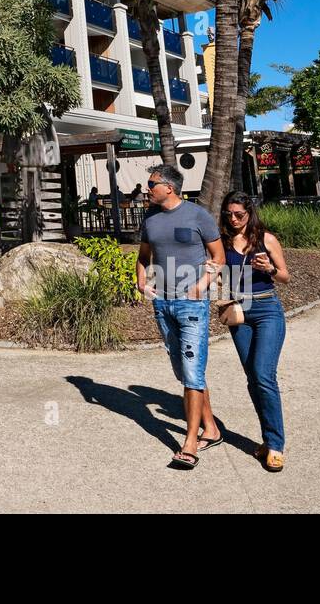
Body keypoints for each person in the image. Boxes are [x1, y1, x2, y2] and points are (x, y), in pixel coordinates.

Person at [135, 163, 225, 470]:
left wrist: (200, 287)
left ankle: (189, 444)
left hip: (192, 306)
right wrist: (141, 281)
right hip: (163, 305)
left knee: (191, 372)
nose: (147, 188)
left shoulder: (198, 215)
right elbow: (144, 255)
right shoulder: (150, 218)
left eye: (151, 184)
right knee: (186, 371)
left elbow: (219, 258)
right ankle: (211, 429)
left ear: (169, 187)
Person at [219, 191, 290, 473]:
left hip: (267, 310)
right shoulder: (222, 242)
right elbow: (218, 273)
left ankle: (275, 446)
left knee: (263, 374)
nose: (234, 220)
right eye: (229, 215)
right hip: (239, 312)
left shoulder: (266, 239)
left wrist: (270, 268)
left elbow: (285, 276)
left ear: (250, 213)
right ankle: (266, 439)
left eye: (239, 215)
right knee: (252, 378)